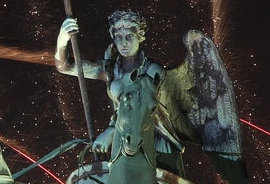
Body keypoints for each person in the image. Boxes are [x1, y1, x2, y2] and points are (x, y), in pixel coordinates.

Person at [54, 10, 185, 174]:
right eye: (118, 37)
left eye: (129, 36)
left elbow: (140, 107)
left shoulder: (151, 71)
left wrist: (110, 131)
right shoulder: (110, 69)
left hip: (154, 138)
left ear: (140, 36)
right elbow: (65, 66)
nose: (123, 43)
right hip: (124, 138)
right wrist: (63, 38)